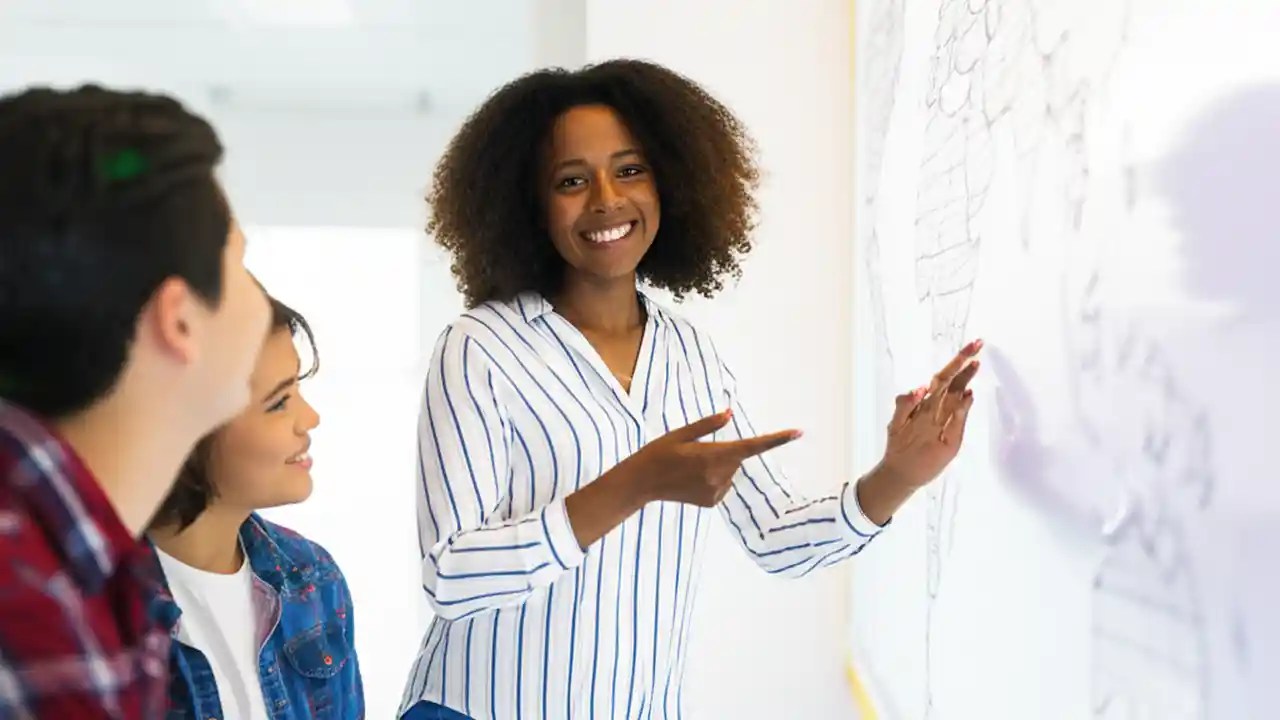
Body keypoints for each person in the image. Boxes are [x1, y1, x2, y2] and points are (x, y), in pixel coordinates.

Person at [399, 59, 982, 720]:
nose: (605, 201)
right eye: (570, 181)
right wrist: (633, 483)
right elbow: (450, 576)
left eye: (630, 169)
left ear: (670, 180)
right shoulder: (482, 347)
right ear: (529, 203)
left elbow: (772, 535)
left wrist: (898, 475)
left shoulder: (690, 357)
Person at [0, 86, 270, 717]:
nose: (260, 306)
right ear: (179, 322)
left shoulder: (93, 571)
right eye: (240, 265)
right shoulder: (29, 619)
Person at [147, 295, 365, 719]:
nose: (311, 418)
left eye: (298, 389)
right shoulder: (97, 604)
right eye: (279, 402)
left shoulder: (314, 578)